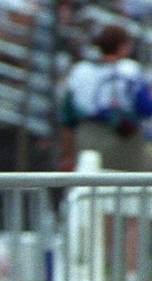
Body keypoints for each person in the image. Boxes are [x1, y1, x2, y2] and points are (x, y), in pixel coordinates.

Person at [59, 24, 152, 171]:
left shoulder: (80, 70)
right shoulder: (130, 70)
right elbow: (145, 108)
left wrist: (66, 155)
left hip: (87, 138)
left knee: (88, 188)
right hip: (124, 139)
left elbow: (67, 118)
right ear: (122, 46)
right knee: (132, 188)